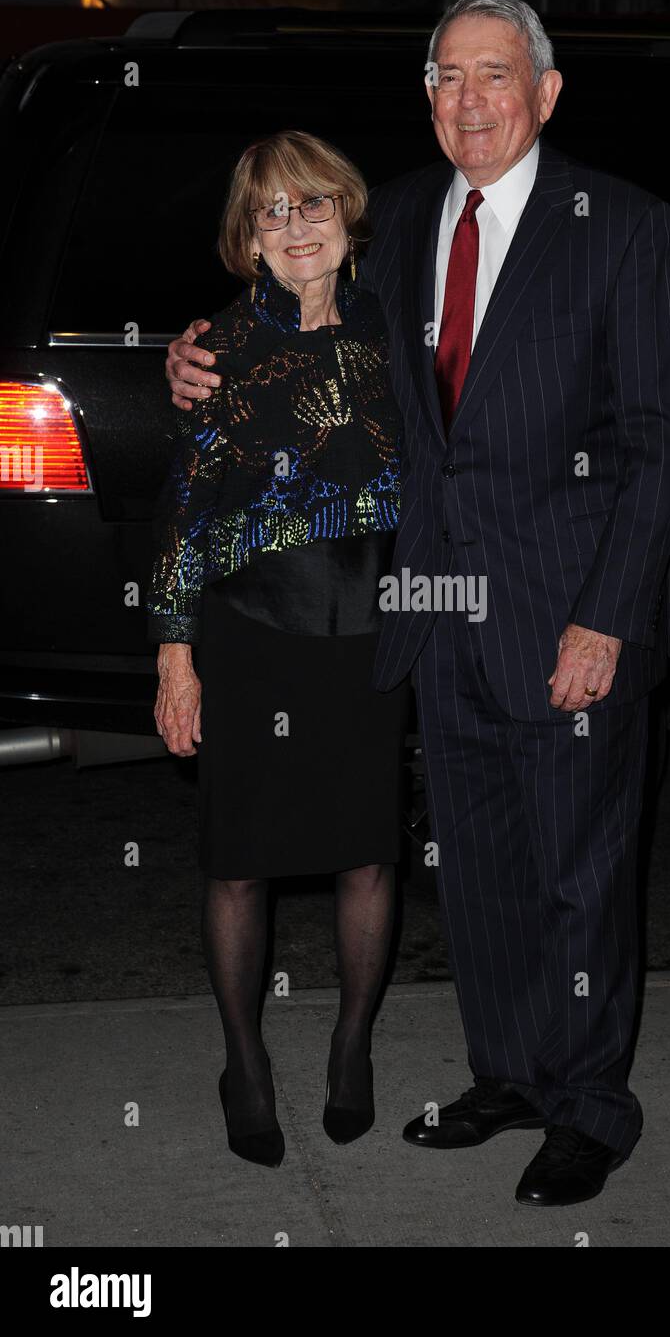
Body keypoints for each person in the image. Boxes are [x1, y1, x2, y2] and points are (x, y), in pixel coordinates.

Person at [167, 0, 670, 1207]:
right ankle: (506, 1071)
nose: (469, 100)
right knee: (484, 872)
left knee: (579, 873)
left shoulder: (620, 224)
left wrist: (605, 614)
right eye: (447, 76)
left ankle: (588, 1106)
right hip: (430, 619)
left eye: (494, 76)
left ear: (544, 93)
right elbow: (293, 314)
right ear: (426, 95)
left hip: (570, 619)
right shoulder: (397, 218)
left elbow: (661, 439)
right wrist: (191, 354)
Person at [148, 130, 408, 1168]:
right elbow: (181, 515)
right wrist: (175, 659)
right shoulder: (216, 346)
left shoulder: (398, 327)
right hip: (253, 634)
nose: (296, 225)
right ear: (247, 237)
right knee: (240, 861)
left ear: (347, 219)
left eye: (312, 204)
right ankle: (243, 1060)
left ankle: (352, 1046)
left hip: (373, 639)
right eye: (272, 210)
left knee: (368, 850)